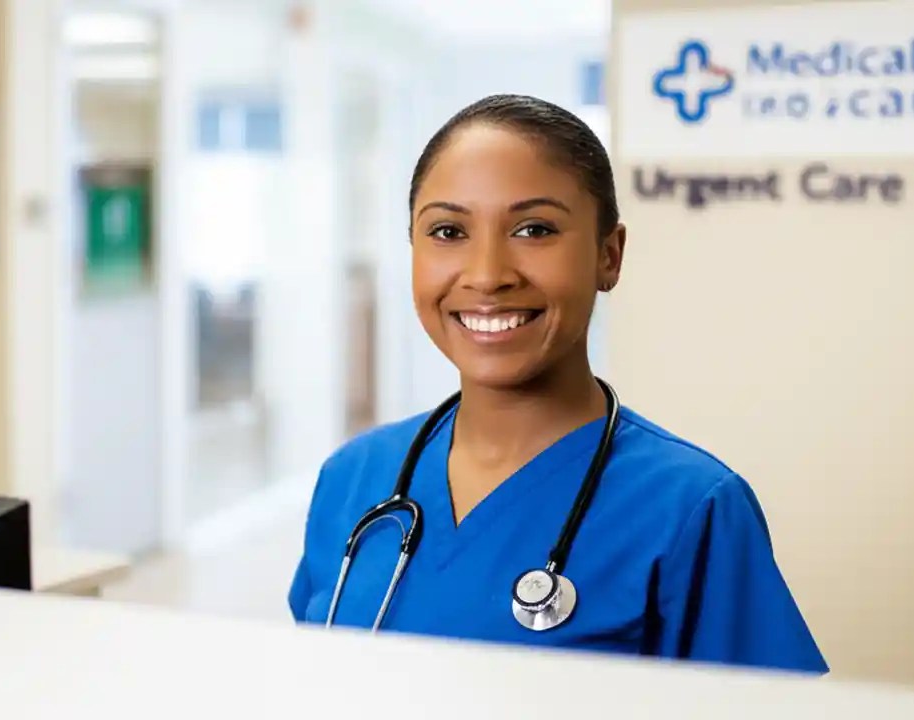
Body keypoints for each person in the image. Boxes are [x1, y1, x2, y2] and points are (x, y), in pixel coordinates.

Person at [287, 95, 828, 674]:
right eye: (448, 230)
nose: (488, 274)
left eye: (534, 228)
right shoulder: (352, 480)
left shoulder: (692, 508)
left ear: (609, 255)